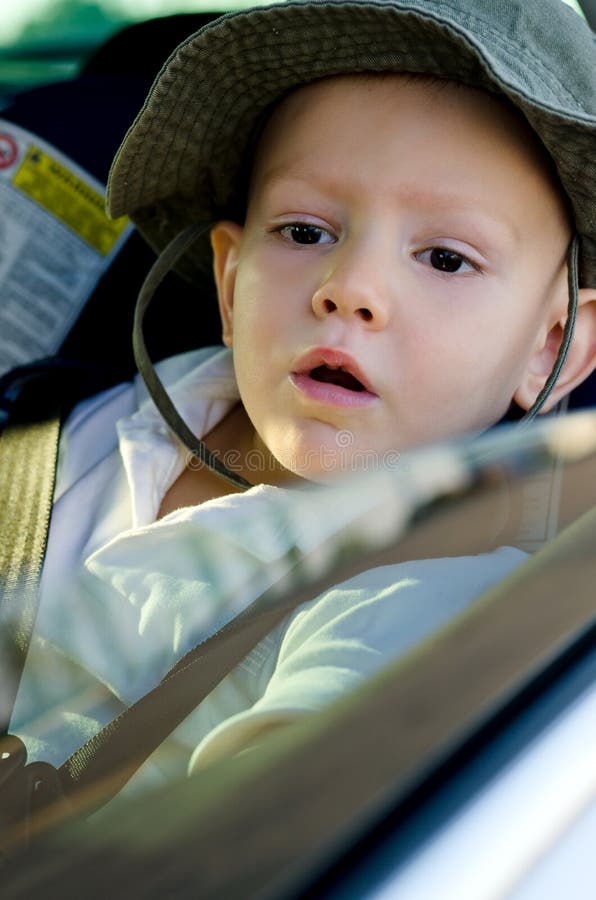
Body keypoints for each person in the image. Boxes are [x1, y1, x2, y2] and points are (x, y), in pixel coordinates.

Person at [8, 0, 596, 801]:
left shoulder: (429, 604)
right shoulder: (61, 435)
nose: (349, 289)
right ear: (229, 279)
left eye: (447, 259)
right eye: (306, 232)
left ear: (552, 346)